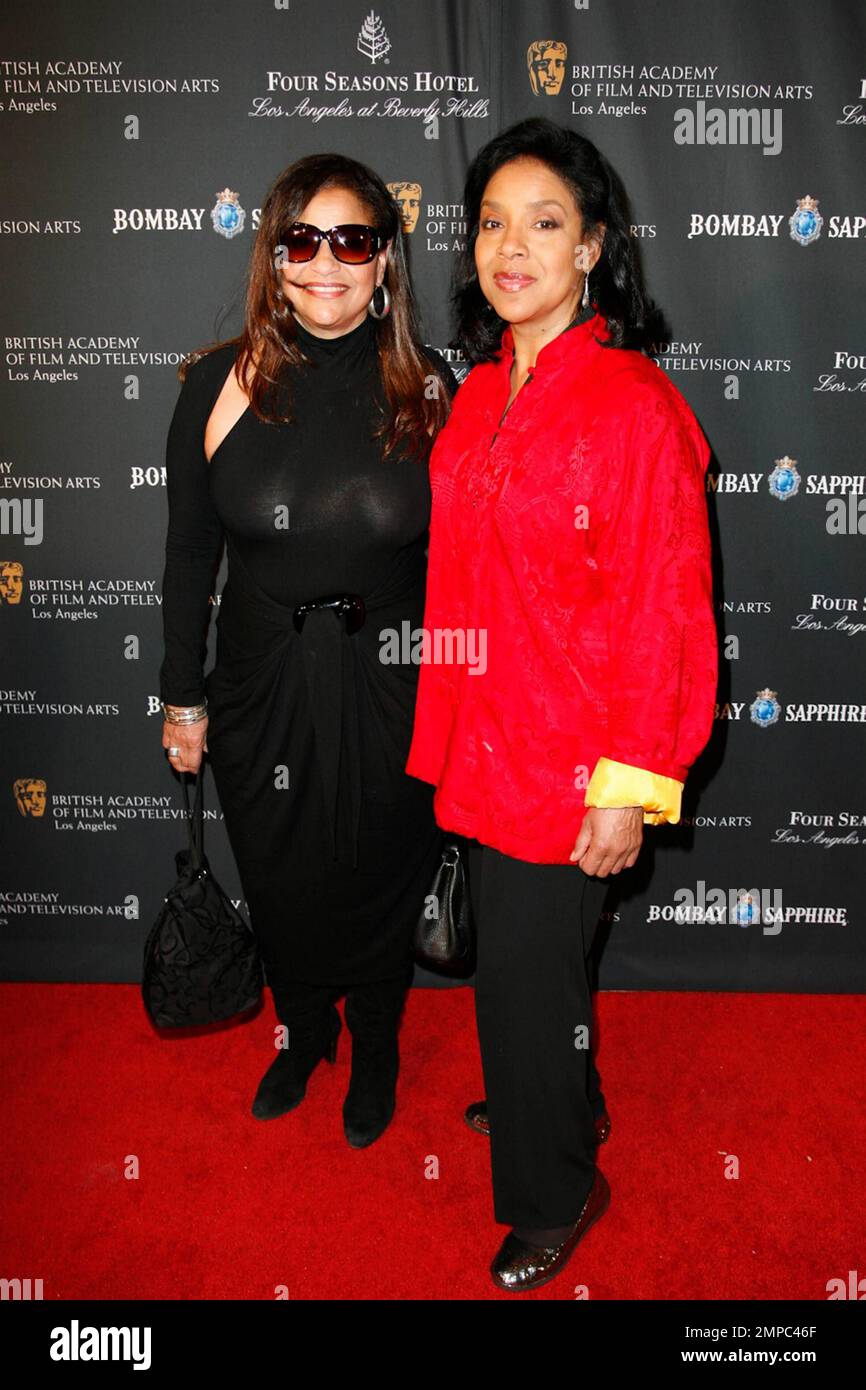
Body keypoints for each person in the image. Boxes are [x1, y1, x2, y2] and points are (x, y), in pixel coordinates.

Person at [405, 117, 718, 1291]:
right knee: (534, 979)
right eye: (491, 222)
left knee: (524, 981)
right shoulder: (479, 390)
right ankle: (560, 1097)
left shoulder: (634, 408)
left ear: (591, 249)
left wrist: (628, 788)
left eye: (543, 223)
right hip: (481, 744)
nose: (510, 246)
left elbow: (665, 614)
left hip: (573, 762)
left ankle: (552, 1193)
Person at [158, 153, 458, 1149]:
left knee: (378, 868)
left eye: (352, 240)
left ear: (383, 264)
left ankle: (374, 1042)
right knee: (281, 871)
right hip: (259, 682)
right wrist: (181, 695)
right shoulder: (215, 382)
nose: (325, 263)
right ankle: (304, 1034)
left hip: (392, 681)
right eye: (302, 240)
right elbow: (190, 551)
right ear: (273, 257)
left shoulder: (430, 388)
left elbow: (467, 562)